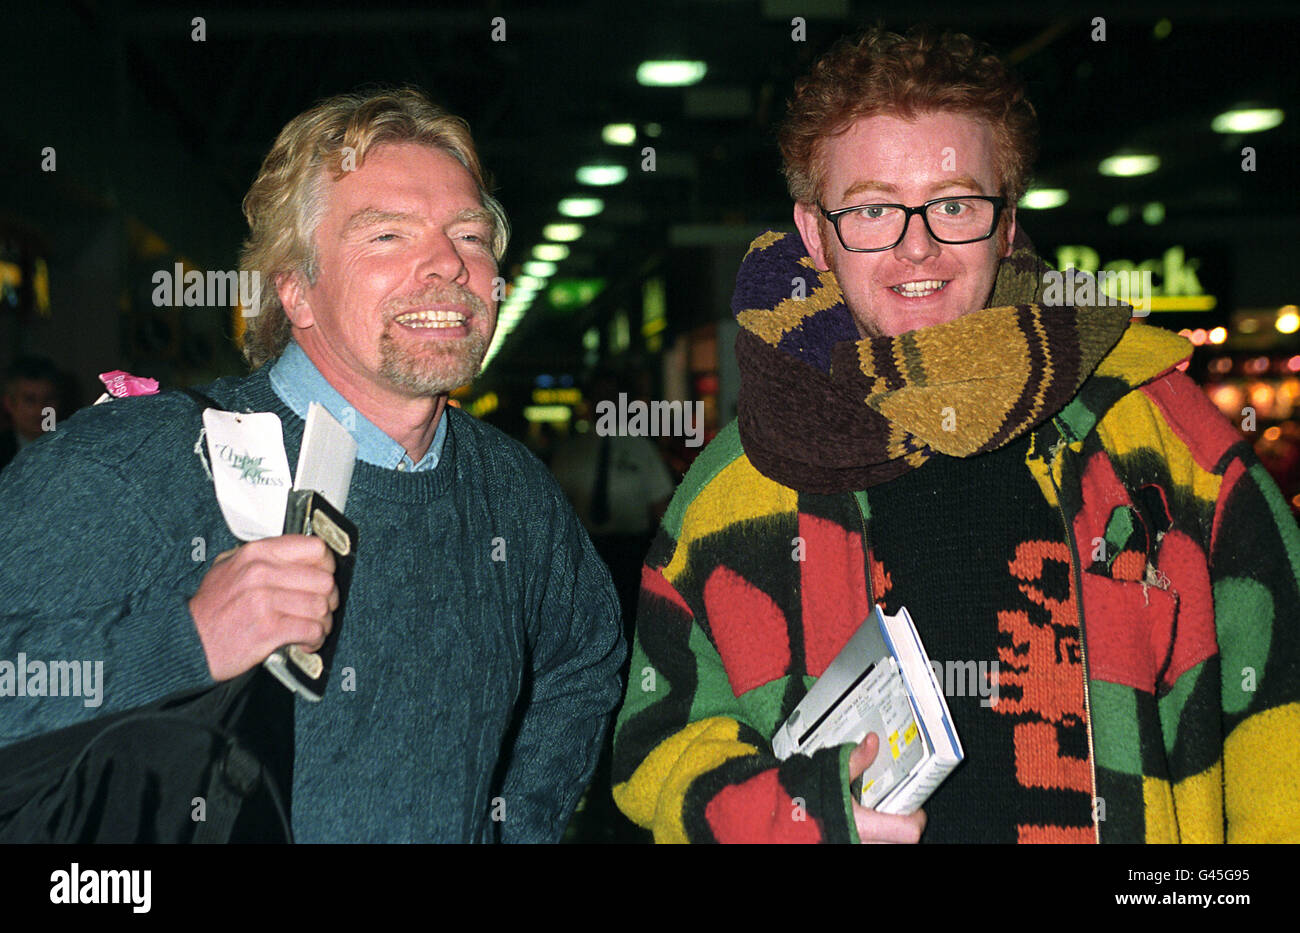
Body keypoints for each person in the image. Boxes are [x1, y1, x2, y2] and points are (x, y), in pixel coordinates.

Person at [611, 27, 1300, 843]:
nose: (917, 245)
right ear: (813, 233)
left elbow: (1279, 711)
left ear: (1007, 224)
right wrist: (797, 816)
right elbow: (656, 749)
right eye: (871, 208)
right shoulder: (739, 484)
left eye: (955, 204)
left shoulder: (1159, 438)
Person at [0, 88, 625, 843]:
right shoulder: (137, 464)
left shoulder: (514, 496)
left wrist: (512, 824)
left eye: (469, 234)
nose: (448, 264)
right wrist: (187, 638)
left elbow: (584, 661)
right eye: (388, 235)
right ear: (295, 287)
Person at [0, 356, 61, 470]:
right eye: (30, 400)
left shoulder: (73, 447)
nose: (41, 409)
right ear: (9, 404)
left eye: (48, 399)